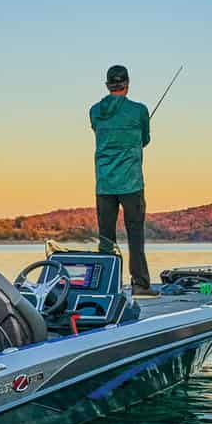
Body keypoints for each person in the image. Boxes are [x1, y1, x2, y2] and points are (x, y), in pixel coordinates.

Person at [89, 64, 154, 295]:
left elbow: (98, 130)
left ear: (108, 85)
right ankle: (140, 284)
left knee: (106, 238)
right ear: (127, 84)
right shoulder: (139, 111)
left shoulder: (95, 111)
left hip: (104, 183)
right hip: (131, 184)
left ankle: (105, 286)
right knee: (135, 235)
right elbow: (145, 139)